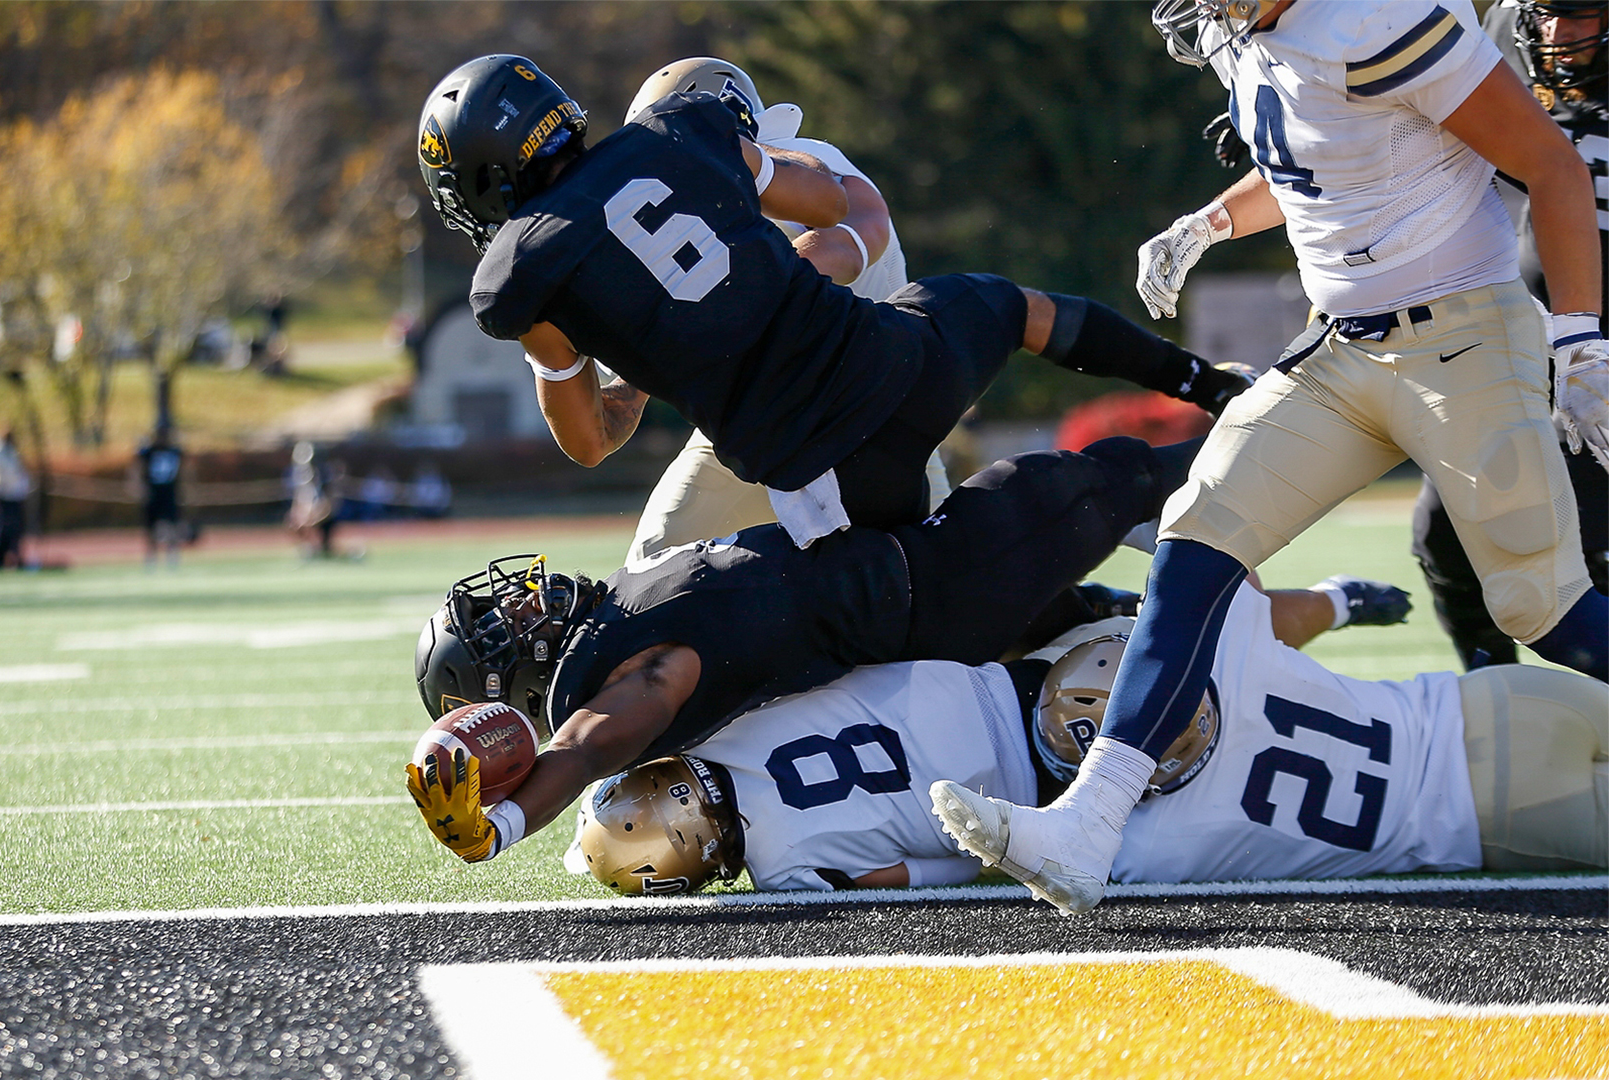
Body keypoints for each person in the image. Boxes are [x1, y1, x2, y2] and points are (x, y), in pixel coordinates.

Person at [941, 0, 1609, 916]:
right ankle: (1086, 824)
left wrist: (1576, 339)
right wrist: (1208, 223)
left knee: (1541, 605)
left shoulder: (1373, 18)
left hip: (1461, 339)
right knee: (1197, 539)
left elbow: (1550, 161)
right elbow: (1311, 160)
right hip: (1340, 350)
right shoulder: (1259, 34)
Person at [419, 55, 1251, 549]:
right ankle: (1206, 392)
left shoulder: (524, 273)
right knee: (1017, 308)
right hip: (897, 352)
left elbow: (588, 441)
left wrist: (638, 372)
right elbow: (853, 213)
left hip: (803, 439)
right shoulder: (690, 144)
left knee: (682, 584)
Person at [409, 434, 1203, 865]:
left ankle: (1291, 568)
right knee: (1103, 479)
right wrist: (501, 827)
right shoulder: (620, 678)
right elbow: (583, 750)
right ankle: (1265, 425)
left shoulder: (621, 616)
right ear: (504, 676)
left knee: (1117, 607)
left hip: (902, 588)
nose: (519, 601)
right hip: (932, 586)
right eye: (498, 625)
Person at [568, 575, 1603, 895]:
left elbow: (955, 868)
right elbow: (1225, 592)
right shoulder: (1223, 642)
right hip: (1492, 707)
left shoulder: (1151, 846)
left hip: (1486, 815)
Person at [620, 58, 951, 562]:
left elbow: (855, 232)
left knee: (943, 596)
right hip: (752, 426)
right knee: (650, 573)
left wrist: (732, 301)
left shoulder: (804, 160)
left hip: (872, 407)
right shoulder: (670, 215)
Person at [1414, 0, 1609, 670]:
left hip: (1598, 365)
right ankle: (1501, 702)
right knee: (1444, 536)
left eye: (1581, 15)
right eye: (1546, 13)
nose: (1556, 34)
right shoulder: (1502, 38)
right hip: (1524, 350)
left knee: (1590, 551)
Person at [135, 425, 184, 570]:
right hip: (153, 493)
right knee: (150, 527)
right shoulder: (148, 452)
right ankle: (151, 556)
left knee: (172, 525)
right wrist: (138, 487)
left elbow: (184, 471)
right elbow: (137, 469)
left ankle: (172, 555)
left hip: (170, 493)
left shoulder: (175, 451)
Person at [0, 427, 31, 568]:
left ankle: (14, 554)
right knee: (3, 527)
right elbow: (6, 473)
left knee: (16, 528)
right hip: (3, 495)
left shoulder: (10, 451)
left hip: (15, 495)